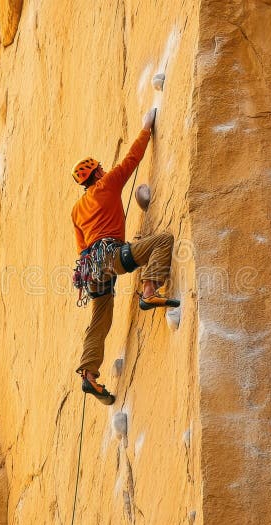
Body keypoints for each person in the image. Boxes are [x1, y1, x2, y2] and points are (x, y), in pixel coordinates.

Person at [70, 108, 180, 404]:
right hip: (112, 256)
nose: (105, 171)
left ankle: (89, 374)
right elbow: (133, 158)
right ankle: (149, 290)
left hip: (91, 269)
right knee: (162, 241)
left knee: (100, 317)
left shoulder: (76, 210)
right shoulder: (108, 184)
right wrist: (146, 128)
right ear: (97, 174)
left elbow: (81, 247)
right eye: (101, 169)